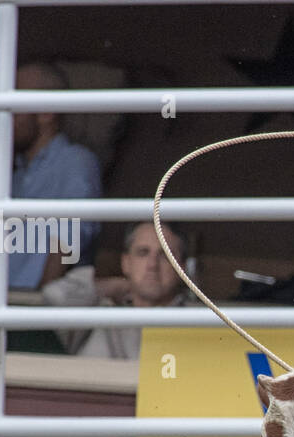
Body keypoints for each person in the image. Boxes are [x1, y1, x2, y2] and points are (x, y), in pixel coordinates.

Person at [10, 62, 102, 291]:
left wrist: (39, 308)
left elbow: (66, 242)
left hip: (33, 308)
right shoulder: (16, 171)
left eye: (16, 102)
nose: (6, 112)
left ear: (46, 112)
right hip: (0, 305)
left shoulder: (74, 162)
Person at [41, 221, 187, 360]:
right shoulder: (100, 316)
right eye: (143, 253)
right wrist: (111, 287)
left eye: (165, 255)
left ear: (182, 267)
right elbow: (54, 295)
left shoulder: (198, 321)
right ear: (126, 263)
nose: (152, 265)